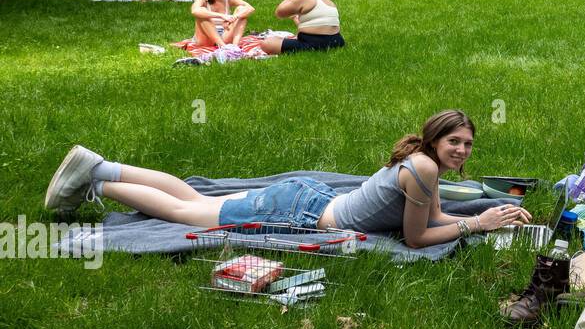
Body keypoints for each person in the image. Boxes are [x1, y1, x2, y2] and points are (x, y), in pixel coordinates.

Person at [44, 112, 532, 248]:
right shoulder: (425, 167)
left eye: (468, 144)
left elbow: (436, 216)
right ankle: (97, 181)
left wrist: (482, 216)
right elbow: (417, 236)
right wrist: (476, 225)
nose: (462, 151)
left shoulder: (424, 161)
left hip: (305, 198)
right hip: (297, 210)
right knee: (183, 213)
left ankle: (104, 167)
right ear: (435, 140)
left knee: (194, 198)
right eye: (455, 142)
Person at [259, 0, 345, 54]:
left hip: (315, 43)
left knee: (267, 43)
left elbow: (279, 13)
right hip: (337, 41)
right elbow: (313, 24)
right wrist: (295, 18)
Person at [190, 0, 255, 48]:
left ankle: (234, 48)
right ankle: (223, 47)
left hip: (224, 35)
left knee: (242, 11)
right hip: (206, 38)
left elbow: (250, 8)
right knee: (202, 12)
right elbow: (195, 11)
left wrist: (234, 17)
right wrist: (221, 16)